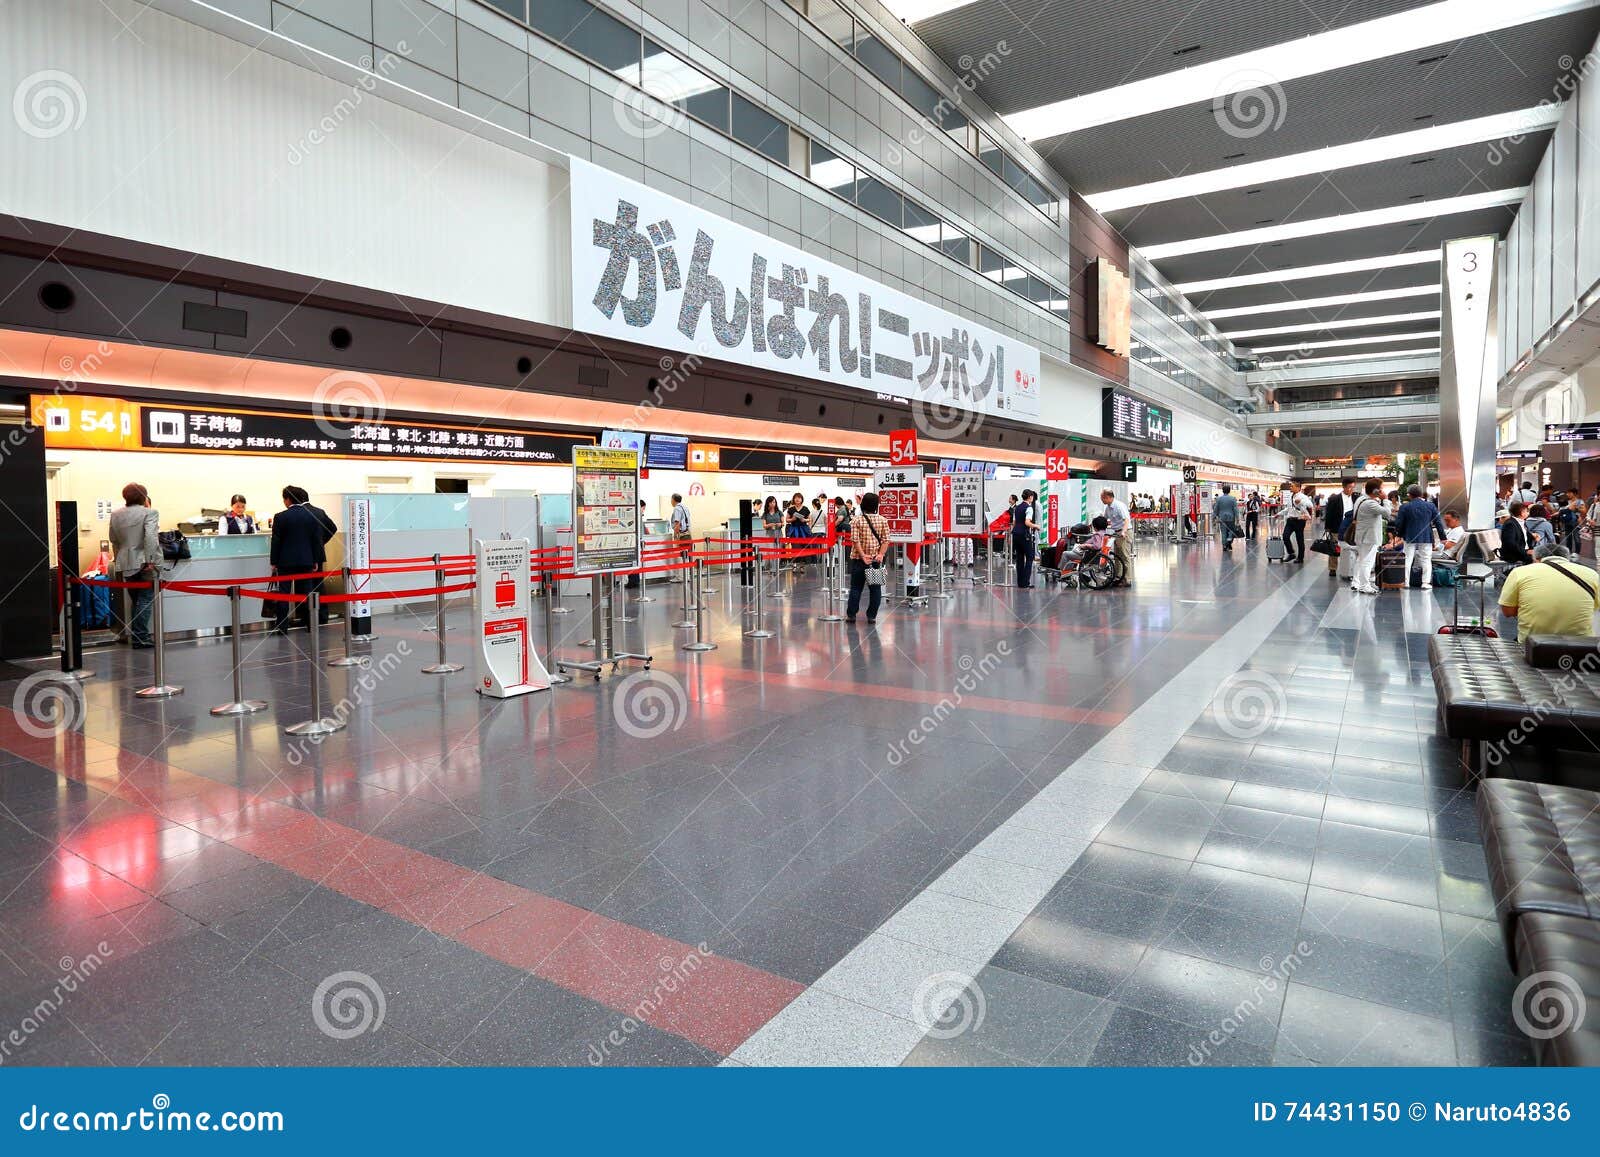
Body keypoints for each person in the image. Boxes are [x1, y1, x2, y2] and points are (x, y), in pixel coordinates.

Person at [269, 485, 337, 635]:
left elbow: (276, 541)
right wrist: (314, 559)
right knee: (308, 594)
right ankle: (310, 624)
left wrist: (274, 561)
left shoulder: (280, 517)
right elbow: (314, 539)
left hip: (285, 561)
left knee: (284, 594)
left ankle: (282, 626)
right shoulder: (310, 515)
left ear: (288, 499)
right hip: (306, 561)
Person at [1499, 542, 1600, 641]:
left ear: (1536, 559)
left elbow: (1508, 611)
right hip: (1582, 646)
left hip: (1533, 645)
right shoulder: (1592, 574)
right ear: (1567, 558)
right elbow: (1594, 607)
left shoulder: (1519, 572)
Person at [108, 483, 161, 648]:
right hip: (145, 562)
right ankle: (141, 637)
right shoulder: (150, 512)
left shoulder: (116, 514)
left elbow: (113, 539)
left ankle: (137, 636)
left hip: (125, 562)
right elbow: (151, 537)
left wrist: (119, 560)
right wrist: (151, 560)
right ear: (144, 497)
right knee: (145, 599)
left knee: (136, 599)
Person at [846, 492, 890, 624]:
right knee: (875, 589)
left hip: (859, 560)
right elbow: (886, 540)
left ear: (863, 504)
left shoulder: (856, 520)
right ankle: (871, 616)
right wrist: (881, 554)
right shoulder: (883, 520)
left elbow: (855, 540)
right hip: (876, 560)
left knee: (855, 588)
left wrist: (863, 555)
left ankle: (851, 615)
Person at [1392, 483, 1445, 591]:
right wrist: (1443, 537)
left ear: (1409, 495)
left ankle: (1405, 582)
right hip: (1426, 537)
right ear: (1421, 494)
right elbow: (1438, 522)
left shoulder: (1404, 507)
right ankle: (1425, 583)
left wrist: (1398, 535)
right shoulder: (1431, 506)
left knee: (1407, 559)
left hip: (1409, 536)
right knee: (1426, 559)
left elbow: (1399, 523)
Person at [1349, 479, 1391, 596]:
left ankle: (1356, 582)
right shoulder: (1370, 503)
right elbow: (1387, 513)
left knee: (1361, 559)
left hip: (1362, 536)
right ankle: (1364, 585)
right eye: (1382, 488)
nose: (1383, 490)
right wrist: (1385, 499)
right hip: (1369, 537)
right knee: (1367, 561)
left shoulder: (1361, 499)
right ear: (1377, 490)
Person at [1322, 480, 1352, 577]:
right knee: (1334, 548)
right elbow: (1329, 514)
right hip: (1337, 526)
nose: (1351, 489)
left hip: (1351, 527)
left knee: (1351, 547)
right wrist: (1327, 527)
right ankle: (1333, 568)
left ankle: (1349, 567)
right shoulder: (1334, 499)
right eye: (1349, 487)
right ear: (1344, 487)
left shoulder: (1355, 498)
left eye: (1353, 487)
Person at [1101, 489, 1131, 583]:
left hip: (1124, 532)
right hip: (1116, 533)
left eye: (1103, 498)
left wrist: (1123, 532)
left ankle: (1127, 579)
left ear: (1108, 497)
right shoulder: (1108, 508)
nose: (1102, 500)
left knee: (1125, 556)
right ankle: (1118, 577)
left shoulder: (1119, 506)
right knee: (1117, 557)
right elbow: (1104, 519)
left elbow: (1126, 520)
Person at [1012, 489, 1038, 588]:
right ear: (1030, 497)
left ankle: (1020, 582)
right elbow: (1027, 523)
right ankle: (1025, 582)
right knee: (1030, 557)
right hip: (1024, 535)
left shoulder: (1017, 508)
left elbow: (1014, 523)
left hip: (1015, 534)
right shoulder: (1029, 508)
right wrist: (1036, 526)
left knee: (1019, 558)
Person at [1282, 482, 1312, 564]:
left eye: (1292, 486)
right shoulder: (1290, 497)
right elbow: (1288, 509)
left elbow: (1310, 505)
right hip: (1290, 520)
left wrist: (1301, 502)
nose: (1290, 487)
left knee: (1300, 539)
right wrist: (1278, 514)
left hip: (1299, 520)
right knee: (1285, 536)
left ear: (1298, 488)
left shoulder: (1303, 496)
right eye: (1290, 486)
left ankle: (1300, 558)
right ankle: (1291, 553)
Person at [1500, 501, 1535, 567]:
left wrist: (1533, 536)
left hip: (1522, 551)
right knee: (1538, 559)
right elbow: (1510, 543)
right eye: (1527, 511)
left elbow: (1524, 536)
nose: (1528, 513)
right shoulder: (1510, 524)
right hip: (1514, 554)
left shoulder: (1521, 522)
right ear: (1522, 513)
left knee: (1543, 554)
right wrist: (1525, 552)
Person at [624, 499, 647, 589]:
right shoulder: (638, 515)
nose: (643, 510)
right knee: (635, 561)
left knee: (632, 561)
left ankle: (632, 581)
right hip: (636, 541)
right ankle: (634, 581)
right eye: (643, 508)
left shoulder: (635, 514)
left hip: (633, 541)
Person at [1213, 484, 1239, 551]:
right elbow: (1235, 509)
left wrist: (1213, 518)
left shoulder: (1219, 499)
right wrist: (1237, 518)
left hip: (1222, 518)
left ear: (1223, 491)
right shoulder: (1233, 499)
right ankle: (1229, 544)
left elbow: (1216, 509)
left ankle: (1224, 545)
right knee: (1231, 531)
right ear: (1229, 491)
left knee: (1223, 532)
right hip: (1231, 518)